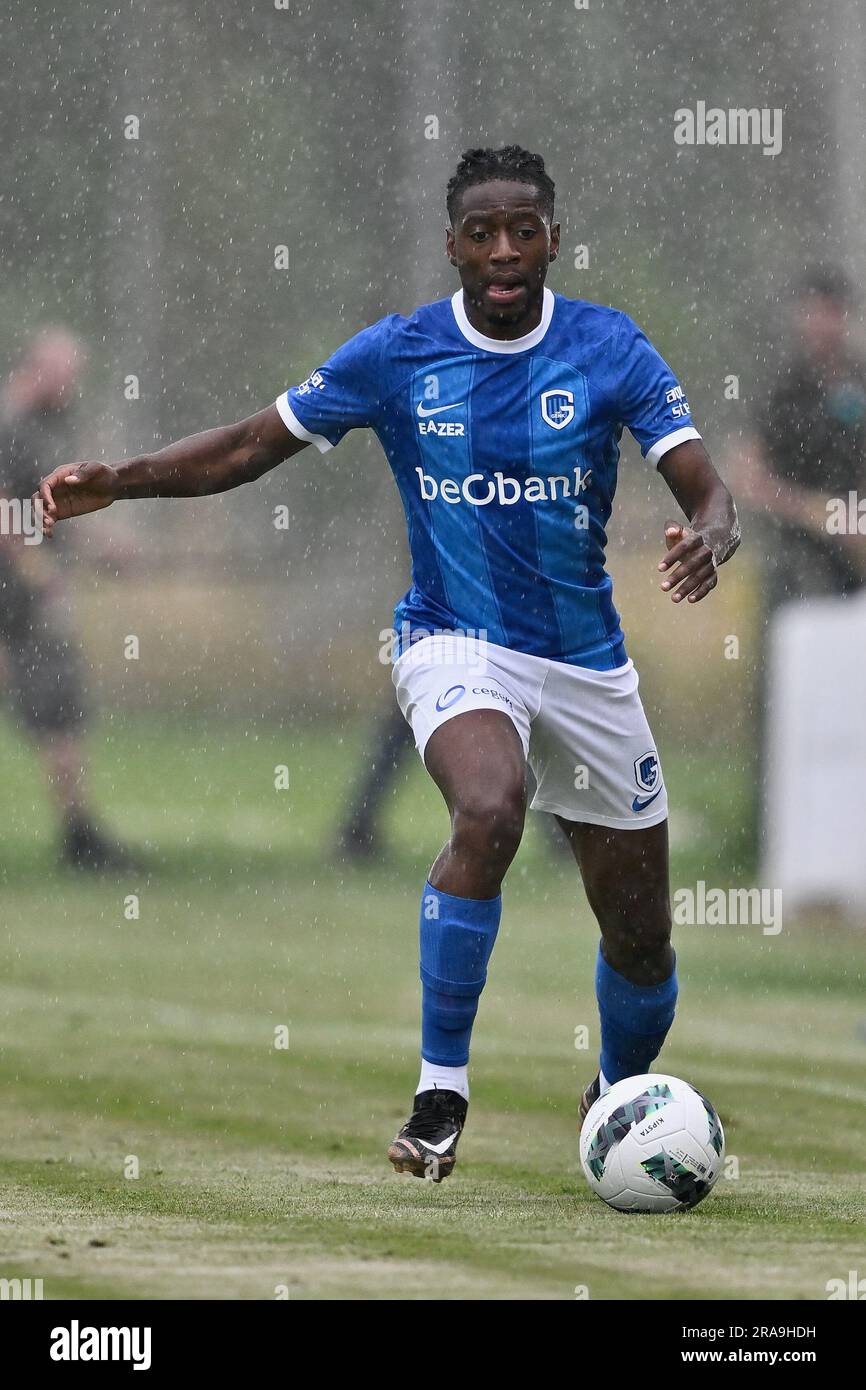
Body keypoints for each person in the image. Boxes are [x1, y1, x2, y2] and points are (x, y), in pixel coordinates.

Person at [35, 146, 739, 1180]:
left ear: (552, 237)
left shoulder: (608, 347)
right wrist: (122, 480)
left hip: (586, 666)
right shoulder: (396, 354)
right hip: (451, 640)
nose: (502, 252)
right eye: (480, 232)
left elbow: (703, 487)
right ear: (451, 244)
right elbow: (245, 445)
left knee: (640, 942)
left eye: (523, 230)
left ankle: (617, 1100)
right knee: (489, 807)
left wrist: (709, 536)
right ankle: (440, 1089)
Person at [1, 327, 135, 869]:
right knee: (58, 701)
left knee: (60, 705)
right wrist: (35, 570)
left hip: (24, 593)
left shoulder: (44, 427)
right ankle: (80, 837)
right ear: (39, 368)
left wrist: (108, 549)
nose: (72, 387)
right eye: (66, 375)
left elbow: (53, 507)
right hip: (17, 595)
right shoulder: (10, 423)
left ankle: (79, 832)